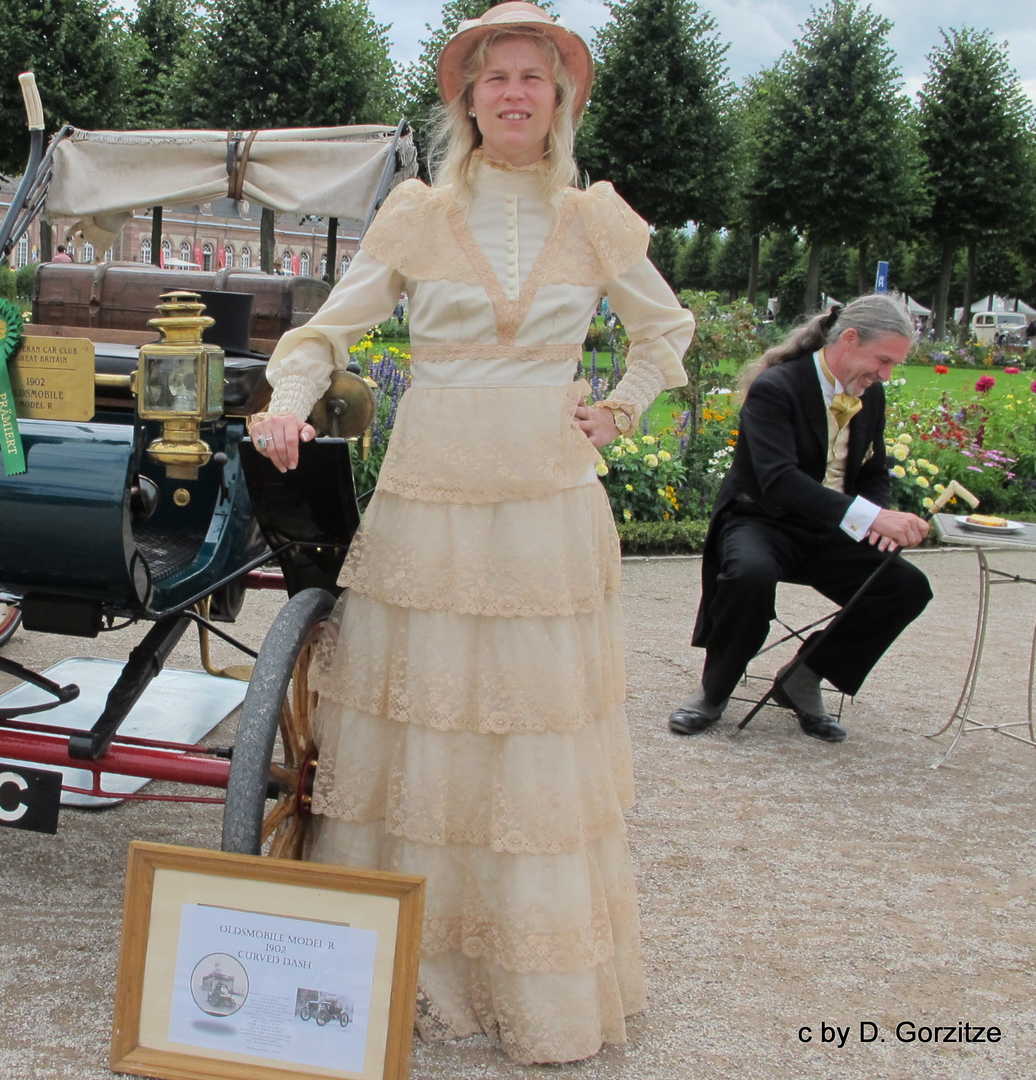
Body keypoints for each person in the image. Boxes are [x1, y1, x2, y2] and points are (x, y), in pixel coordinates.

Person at [247, 2, 693, 1064]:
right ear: (469, 100)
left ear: (560, 99)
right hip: (431, 502)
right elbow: (323, 334)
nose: (515, 94)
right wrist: (287, 405)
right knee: (423, 723)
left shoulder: (595, 219)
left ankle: (525, 977)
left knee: (529, 734)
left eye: (534, 77)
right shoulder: (417, 213)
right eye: (497, 78)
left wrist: (621, 408)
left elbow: (665, 330)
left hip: (545, 508)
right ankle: (396, 960)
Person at [668, 295, 932, 743]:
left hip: (830, 527)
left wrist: (877, 522)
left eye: (893, 365)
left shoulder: (872, 394)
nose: (886, 374)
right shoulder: (776, 386)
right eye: (883, 360)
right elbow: (779, 482)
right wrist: (871, 516)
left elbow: (873, 471)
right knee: (750, 574)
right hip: (760, 518)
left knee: (905, 587)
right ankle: (715, 689)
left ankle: (804, 676)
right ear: (849, 339)